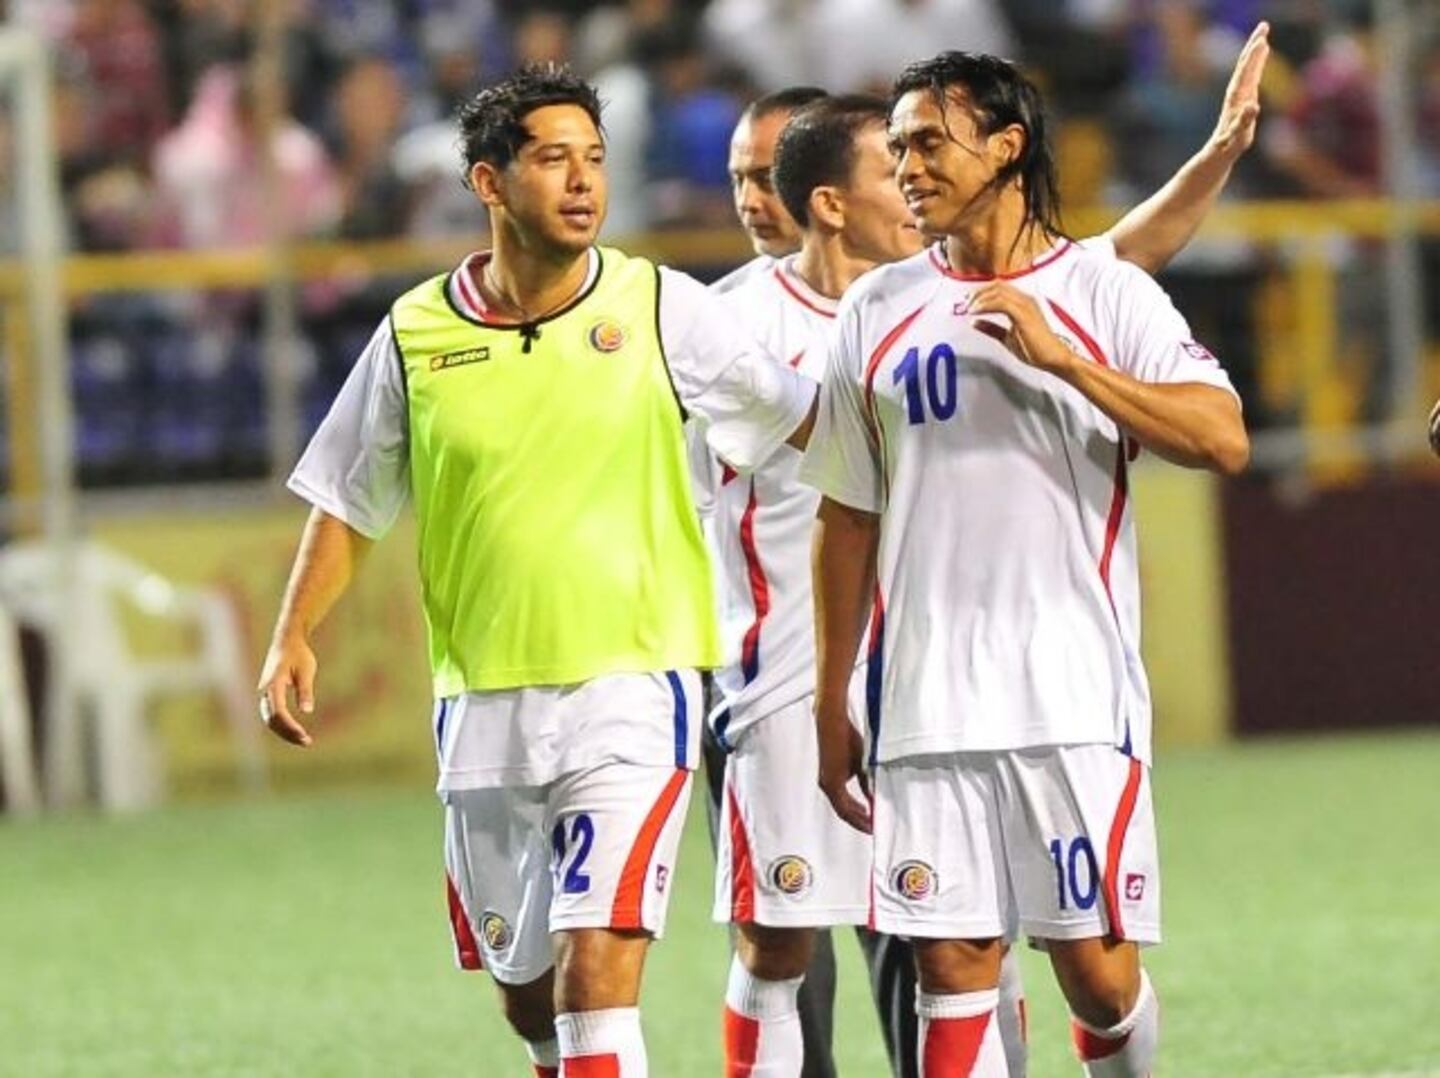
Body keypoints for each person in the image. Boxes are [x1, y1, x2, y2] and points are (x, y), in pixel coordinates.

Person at [709, 26, 1270, 1078]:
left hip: (1069, 696)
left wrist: (1067, 364)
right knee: (950, 971)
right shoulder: (877, 306)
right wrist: (834, 704)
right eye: (901, 151)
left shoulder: (1104, 293)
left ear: (1007, 147)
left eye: (931, 146)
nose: (911, 170)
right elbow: (847, 514)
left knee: (1097, 978)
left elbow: (1221, 437)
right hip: (920, 707)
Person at [256, 64, 817, 1078]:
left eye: (594, 160)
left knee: (595, 980)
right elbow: (347, 495)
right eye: (552, 159)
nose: (581, 182)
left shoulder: (662, 308)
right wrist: (293, 631)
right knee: (530, 1003)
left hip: (635, 685)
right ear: (488, 183)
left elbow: (803, 426)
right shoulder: (416, 333)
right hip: (481, 701)